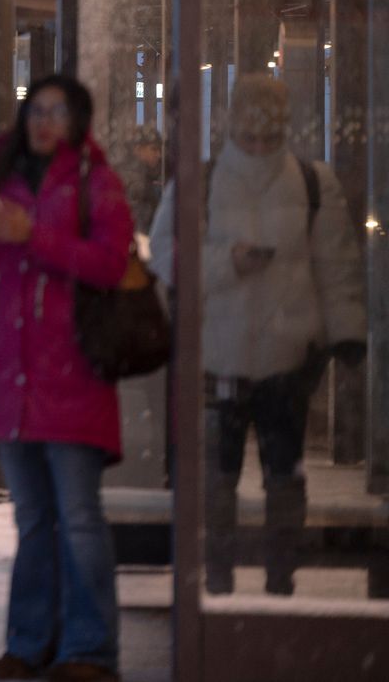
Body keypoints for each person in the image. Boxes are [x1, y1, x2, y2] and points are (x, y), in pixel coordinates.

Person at [147, 76, 366, 596]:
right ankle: (218, 579)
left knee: (281, 479)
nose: (260, 142)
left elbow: (335, 267)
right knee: (220, 482)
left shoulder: (312, 182)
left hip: (287, 358)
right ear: (232, 122)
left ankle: (276, 579)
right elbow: (163, 254)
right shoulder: (200, 181)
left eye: (269, 131)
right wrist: (228, 263)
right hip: (218, 357)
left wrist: (347, 333)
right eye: (253, 129)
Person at [0, 75, 133, 682]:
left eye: (57, 111)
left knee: (79, 516)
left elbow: (111, 265)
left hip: (73, 375)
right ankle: (29, 645)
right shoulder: (5, 180)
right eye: (37, 109)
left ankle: (89, 650)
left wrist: (36, 235)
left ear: (78, 121)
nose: (43, 121)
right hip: (14, 378)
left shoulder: (95, 185)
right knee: (33, 520)